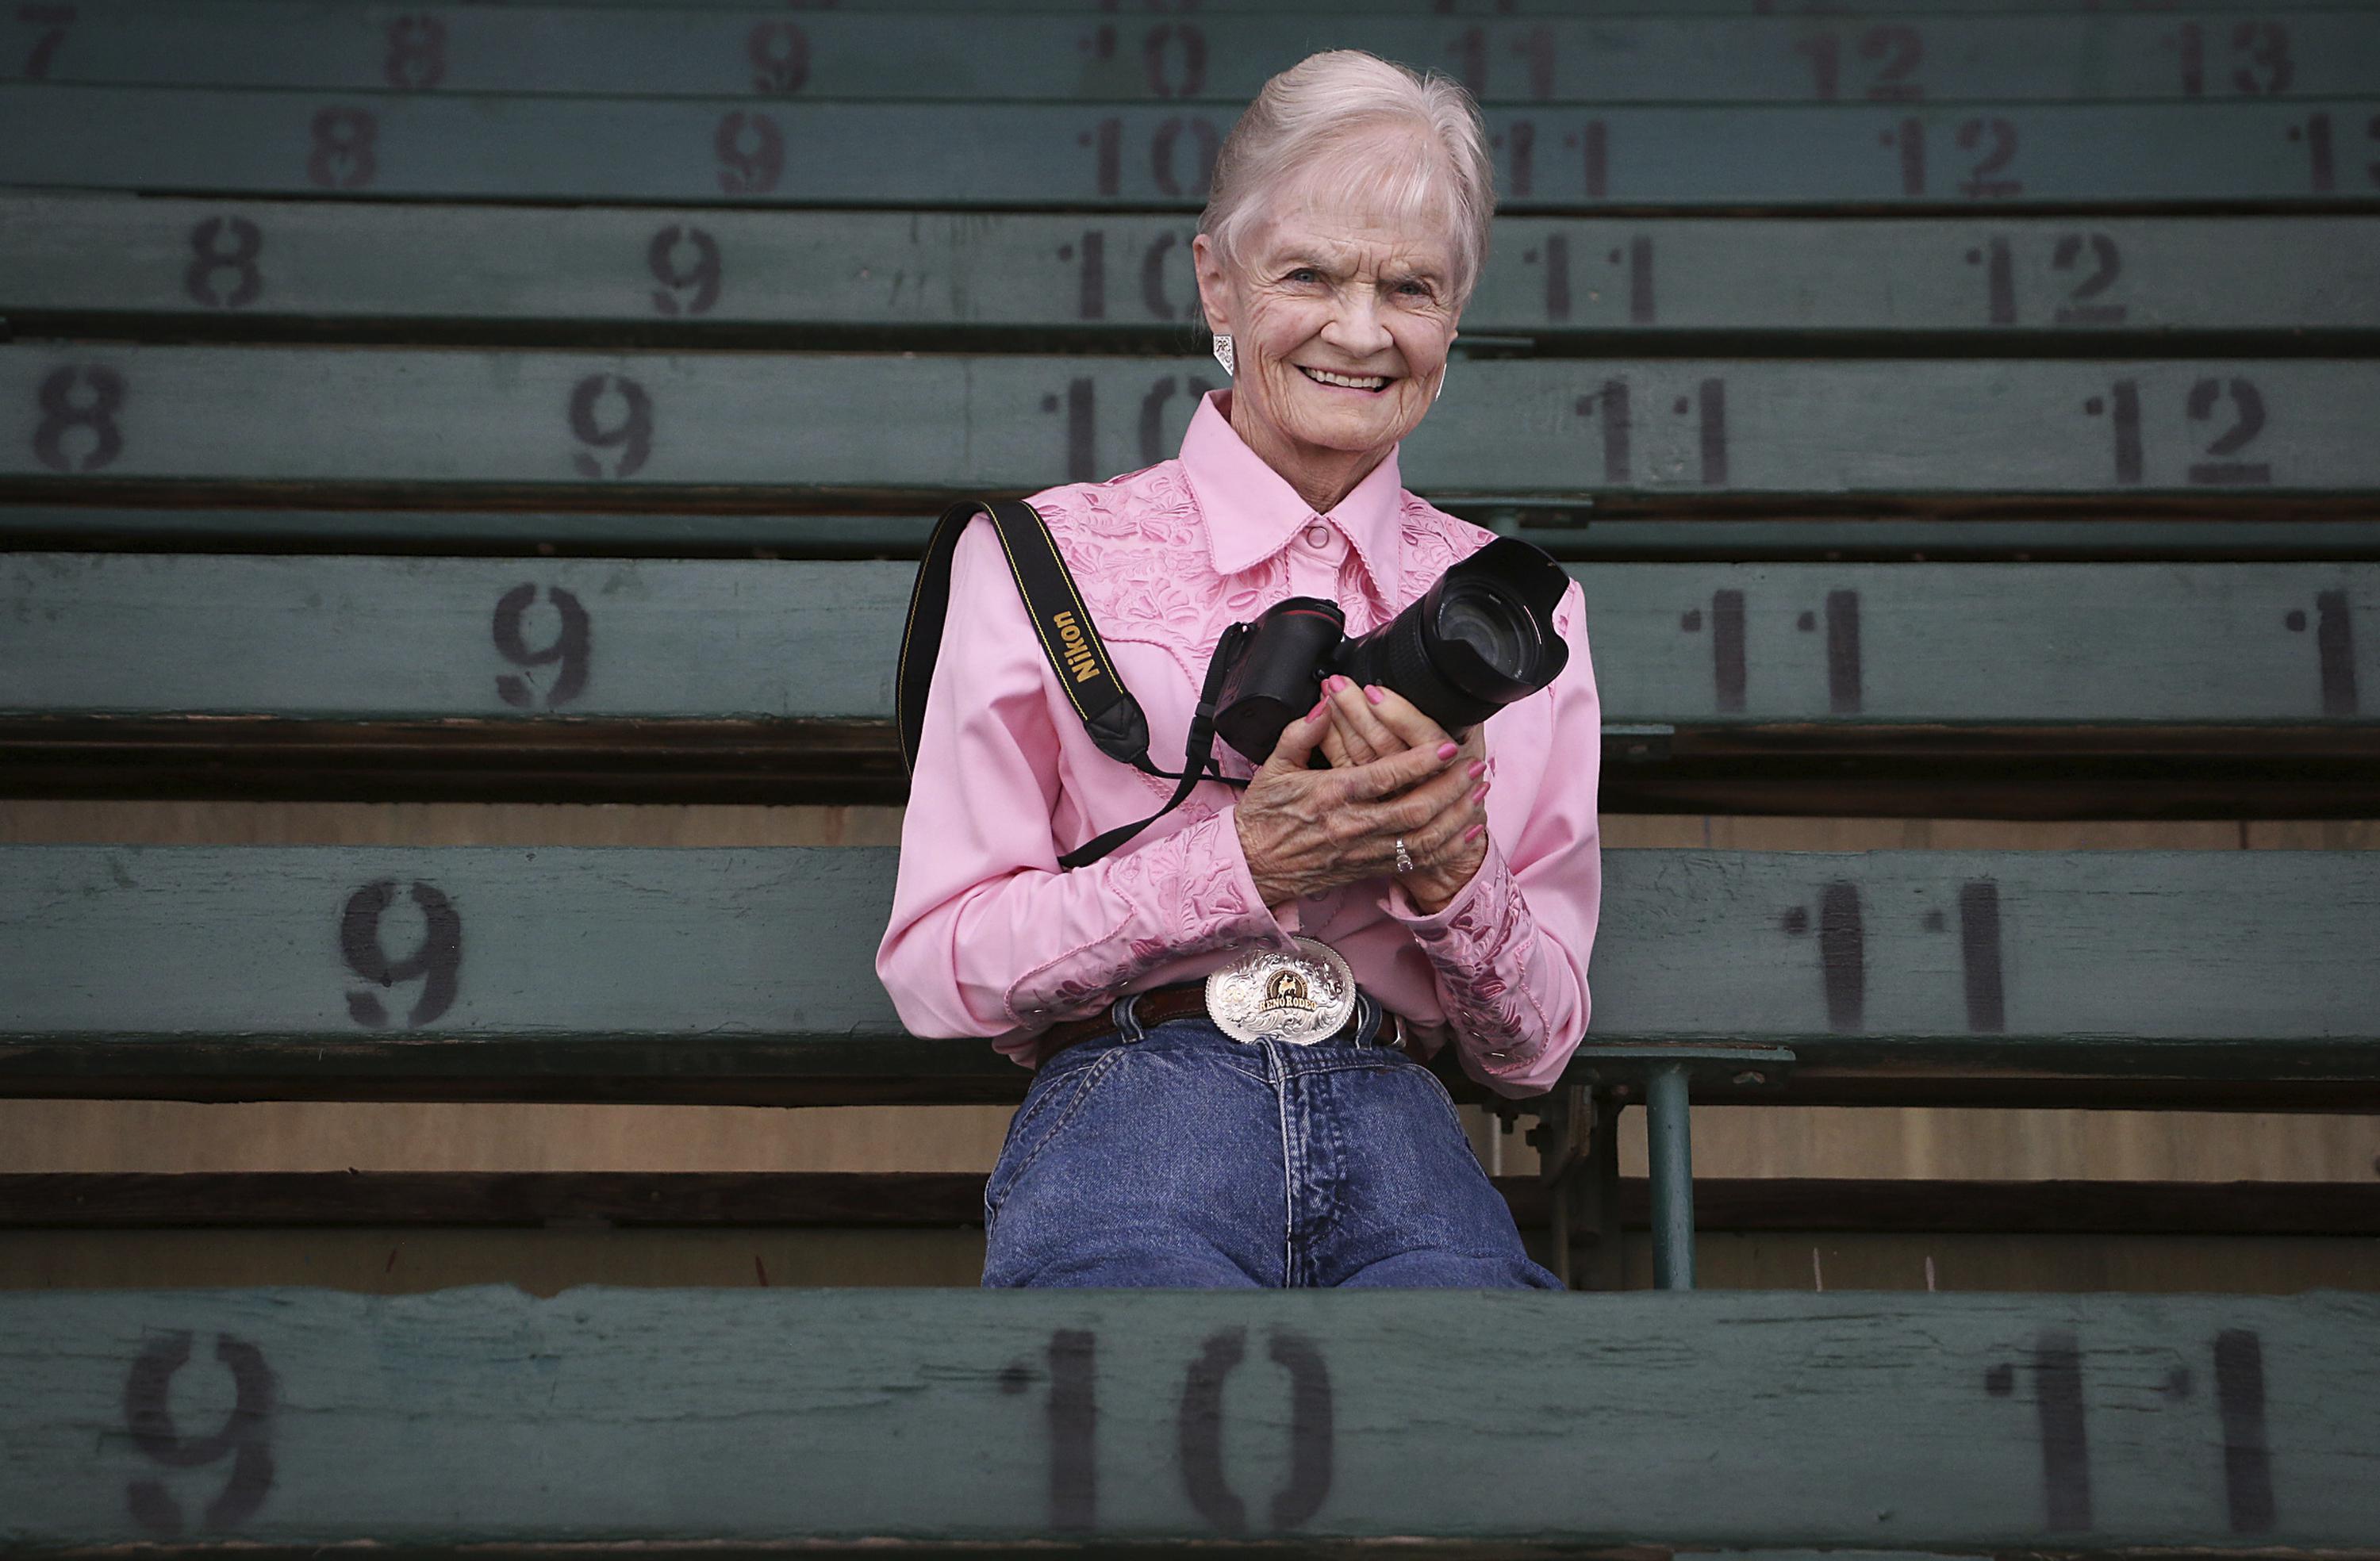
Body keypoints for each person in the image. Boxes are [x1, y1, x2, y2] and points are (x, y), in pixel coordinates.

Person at [877, 49, 1601, 1289]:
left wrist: (1450, 869)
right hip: (1132, 1101)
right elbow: (945, 971)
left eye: (1411, 288)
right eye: (1308, 274)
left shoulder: (1509, 612)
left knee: (1480, 1415)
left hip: (1402, 1116)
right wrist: (1241, 865)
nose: (1361, 331)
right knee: (1137, 1379)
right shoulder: (1044, 559)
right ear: (1216, 279)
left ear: (1456, 316)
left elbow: (1534, 1049)